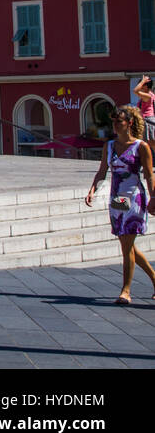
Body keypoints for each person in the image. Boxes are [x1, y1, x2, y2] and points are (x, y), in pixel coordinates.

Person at [85, 105, 155, 305]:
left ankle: (126, 290)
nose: (115, 126)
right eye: (114, 122)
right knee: (126, 244)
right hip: (117, 199)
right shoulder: (109, 146)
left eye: (119, 122)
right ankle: (154, 277)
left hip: (134, 197)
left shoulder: (141, 147)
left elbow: (149, 175)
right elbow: (102, 171)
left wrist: (154, 197)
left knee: (127, 245)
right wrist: (93, 189)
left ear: (129, 123)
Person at [133, 77, 155, 143]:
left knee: (150, 144)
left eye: (141, 85)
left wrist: (143, 81)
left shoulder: (148, 96)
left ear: (145, 86)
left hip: (148, 121)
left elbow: (135, 91)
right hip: (147, 120)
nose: (140, 86)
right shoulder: (149, 95)